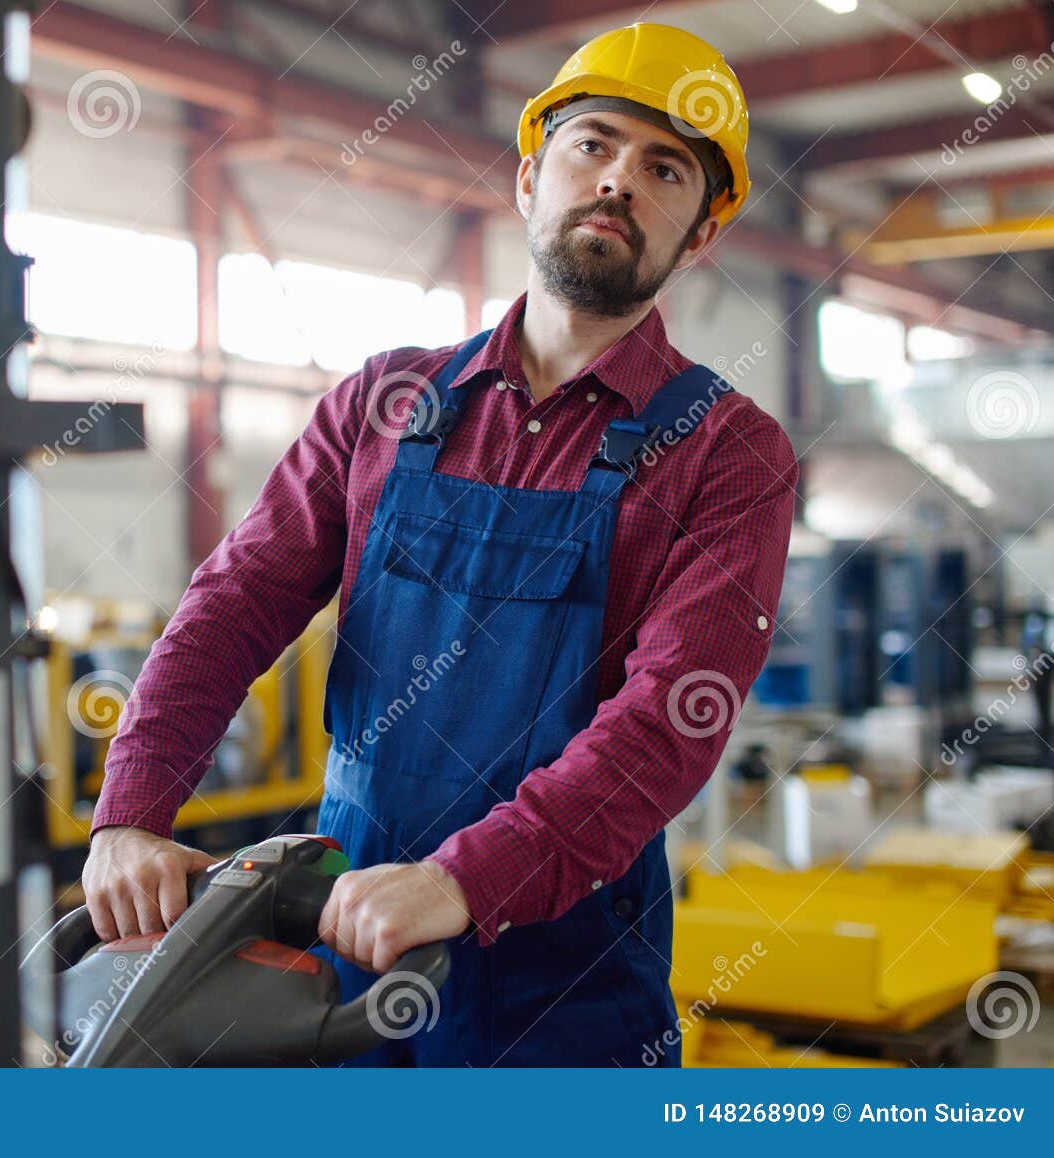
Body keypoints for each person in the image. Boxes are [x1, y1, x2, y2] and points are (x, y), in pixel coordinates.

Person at [80, 23, 796, 1066]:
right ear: (528, 179)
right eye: (590, 146)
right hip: (346, 941)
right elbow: (231, 605)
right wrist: (131, 809)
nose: (617, 183)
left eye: (664, 169)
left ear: (699, 236)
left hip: (568, 990)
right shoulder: (386, 400)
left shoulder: (727, 454)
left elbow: (666, 726)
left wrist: (467, 881)